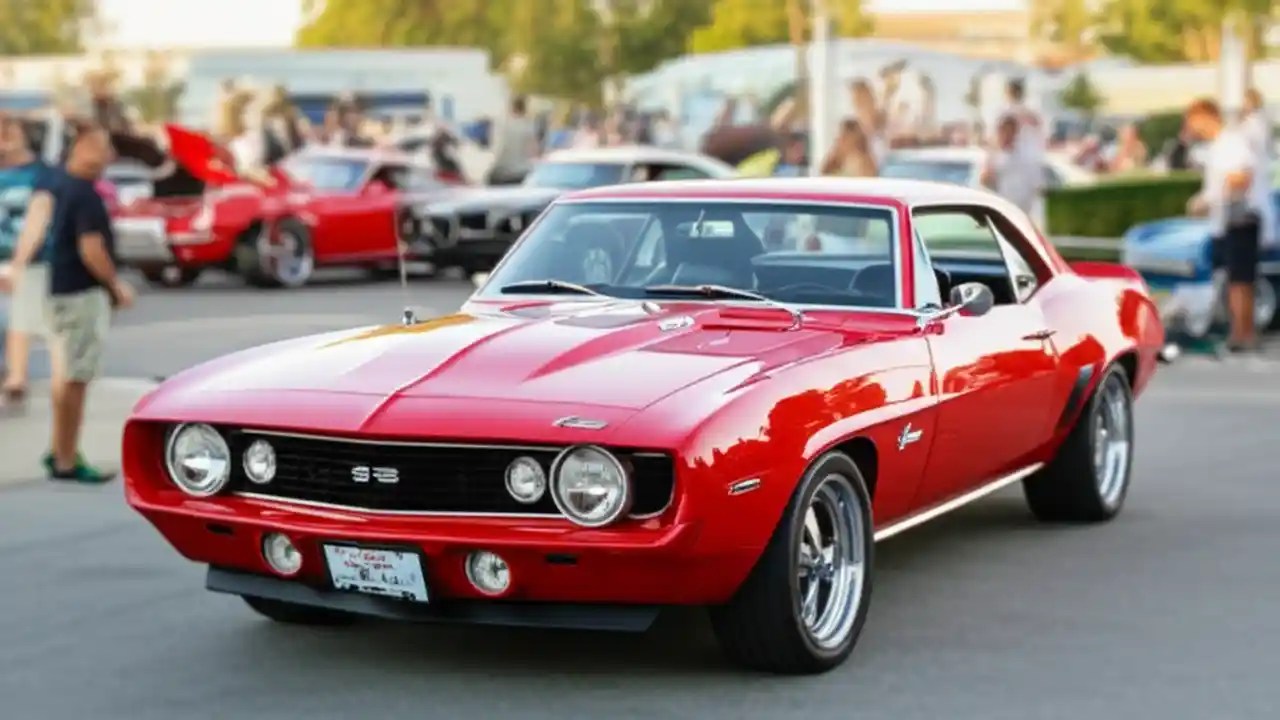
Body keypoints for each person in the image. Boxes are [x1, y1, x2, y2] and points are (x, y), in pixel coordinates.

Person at [43, 123, 134, 482]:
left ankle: (58, 449)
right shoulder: (85, 195)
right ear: (79, 148)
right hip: (81, 293)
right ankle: (67, 457)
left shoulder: (62, 187)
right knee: (76, 378)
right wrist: (115, 287)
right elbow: (91, 249)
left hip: (60, 290)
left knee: (64, 376)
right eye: (100, 147)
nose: (107, 156)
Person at [1184, 98, 1267, 353]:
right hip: (1229, 220)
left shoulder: (1230, 142)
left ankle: (1242, 334)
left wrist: (1214, 199)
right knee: (1236, 278)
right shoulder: (1219, 145)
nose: (1192, 127)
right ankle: (1241, 332)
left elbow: (1240, 176)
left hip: (1238, 219)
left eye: (1193, 120)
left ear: (1206, 117)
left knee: (1240, 279)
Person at [0, 115, 55, 405]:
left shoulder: (40, 174)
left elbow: (38, 219)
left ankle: (17, 377)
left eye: (9, 132)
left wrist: (18, 264)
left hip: (31, 260)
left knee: (19, 317)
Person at [488, 95, 538, 185]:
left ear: (510, 107)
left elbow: (499, 148)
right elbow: (533, 151)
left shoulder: (502, 125)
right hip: (522, 172)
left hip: (502, 171)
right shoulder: (528, 126)